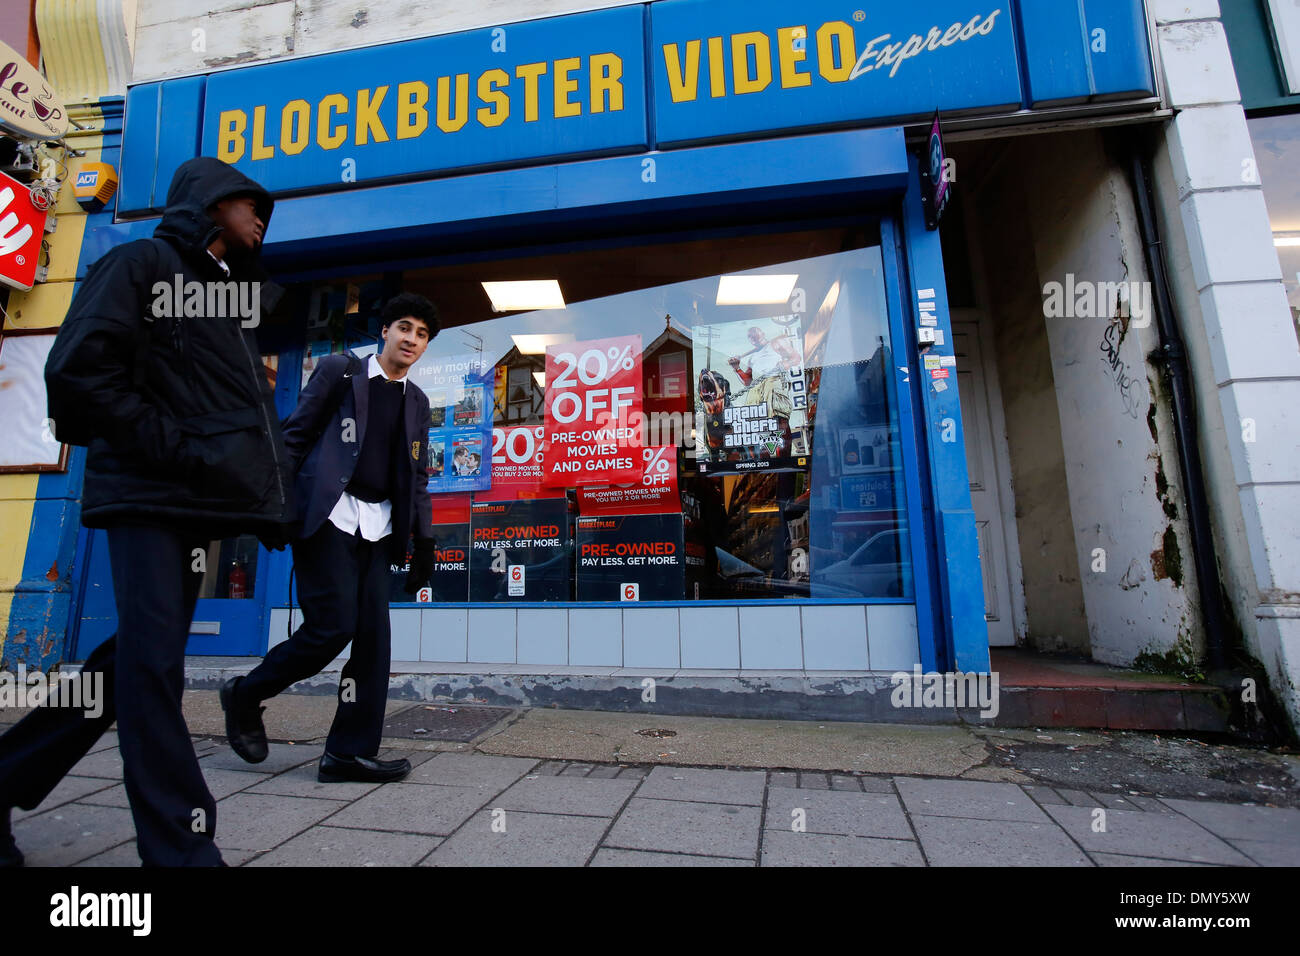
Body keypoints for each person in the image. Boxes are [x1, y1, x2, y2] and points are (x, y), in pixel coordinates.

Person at [0, 156, 292, 867]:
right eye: (249, 200)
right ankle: (181, 848)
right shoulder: (142, 264)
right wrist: (178, 450)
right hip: (148, 498)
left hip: (189, 507)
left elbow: (231, 416)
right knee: (153, 670)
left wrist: (259, 496)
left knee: (132, 661)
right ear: (209, 201)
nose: (261, 214)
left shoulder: (220, 297)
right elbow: (77, 371)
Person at [220, 293, 438, 783]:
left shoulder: (418, 403)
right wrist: (276, 506)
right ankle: (247, 692)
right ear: (384, 331)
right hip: (329, 517)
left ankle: (347, 753)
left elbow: (417, 477)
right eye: (405, 327)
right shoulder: (341, 372)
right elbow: (294, 436)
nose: (412, 339)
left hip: (379, 529)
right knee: (333, 626)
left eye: (422, 334)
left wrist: (424, 542)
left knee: (373, 642)